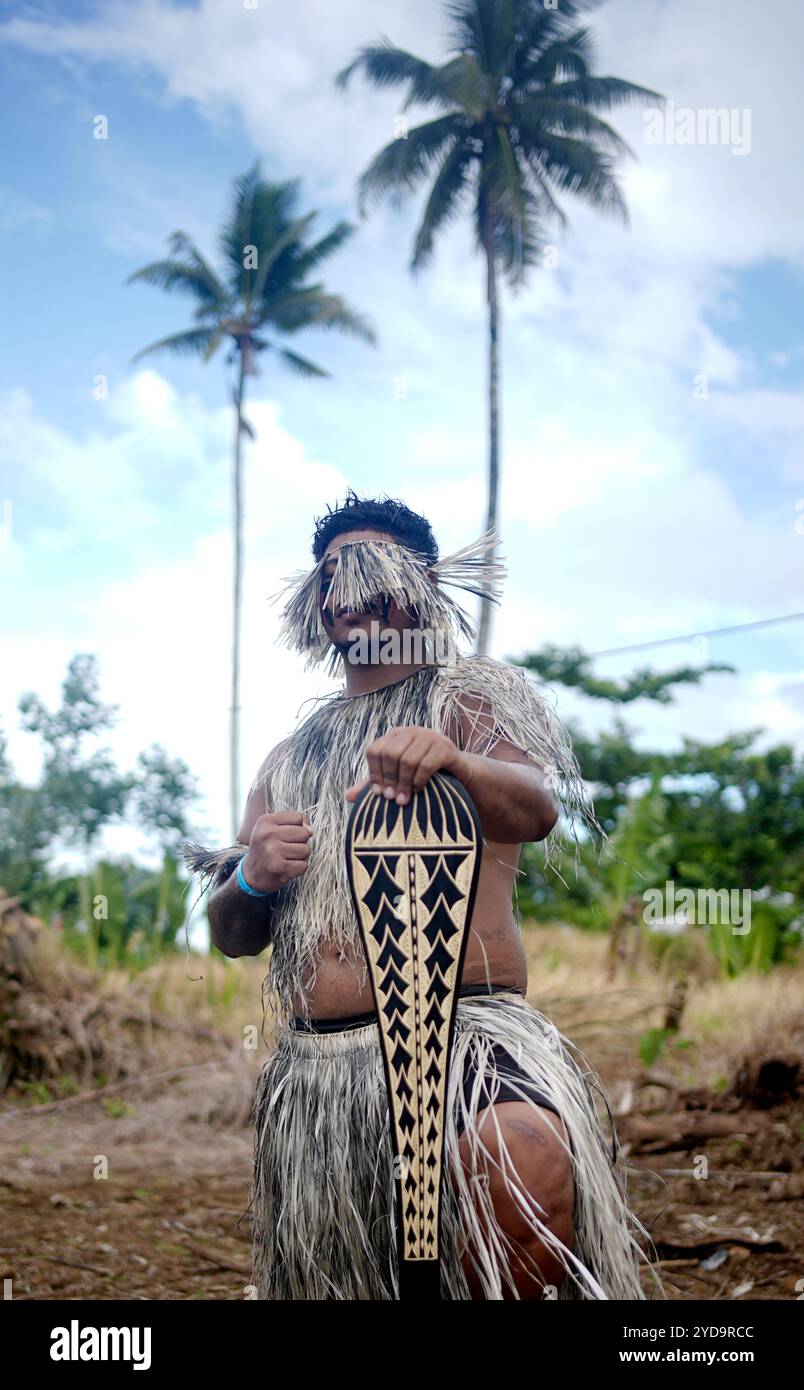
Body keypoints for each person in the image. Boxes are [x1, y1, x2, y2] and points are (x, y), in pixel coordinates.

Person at [186, 489, 651, 1301]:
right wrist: (251, 876)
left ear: (420, 585)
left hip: (467, 1035)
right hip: (321, 1076)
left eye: (367, 570)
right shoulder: (287, 756)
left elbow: (536, 810)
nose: (347, 592)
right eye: (328, 576)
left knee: (524, 1156)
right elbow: (233, 935)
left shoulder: (471, 701)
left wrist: (459, 764)